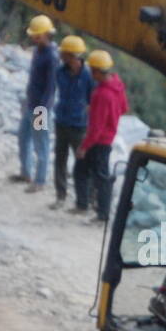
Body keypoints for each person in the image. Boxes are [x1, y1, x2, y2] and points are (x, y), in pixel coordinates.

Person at [74, 50, 127, 223]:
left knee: (92, 174)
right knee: (96, 174)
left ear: (97, 70)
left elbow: (96, 127)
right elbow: (124, 108)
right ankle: (90, 206)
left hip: (99, 140)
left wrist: (84, 146)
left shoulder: (102, 94)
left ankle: (98, 212)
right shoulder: (117, 85)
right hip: (106, 138)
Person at [10, 13, 58, 193]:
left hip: (40, 108)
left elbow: (51, 87)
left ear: (46, 34)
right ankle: (26, 173)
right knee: (23, 138)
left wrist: (42, 110)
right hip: (31, 104)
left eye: (37, 35)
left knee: (41, 144)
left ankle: (40, 180)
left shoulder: (52, 56)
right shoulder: (38, 51)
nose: (34, 38)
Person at [50, 35, 94, 210]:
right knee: (59, 159)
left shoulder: (88, 76)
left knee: (82, 163)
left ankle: (87, 200)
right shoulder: (60, 72)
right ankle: (60, 195)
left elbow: (93, 100)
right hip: (59, 120)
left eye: (64, 52)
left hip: (78, 125)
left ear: (72, 55)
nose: (60, 54)